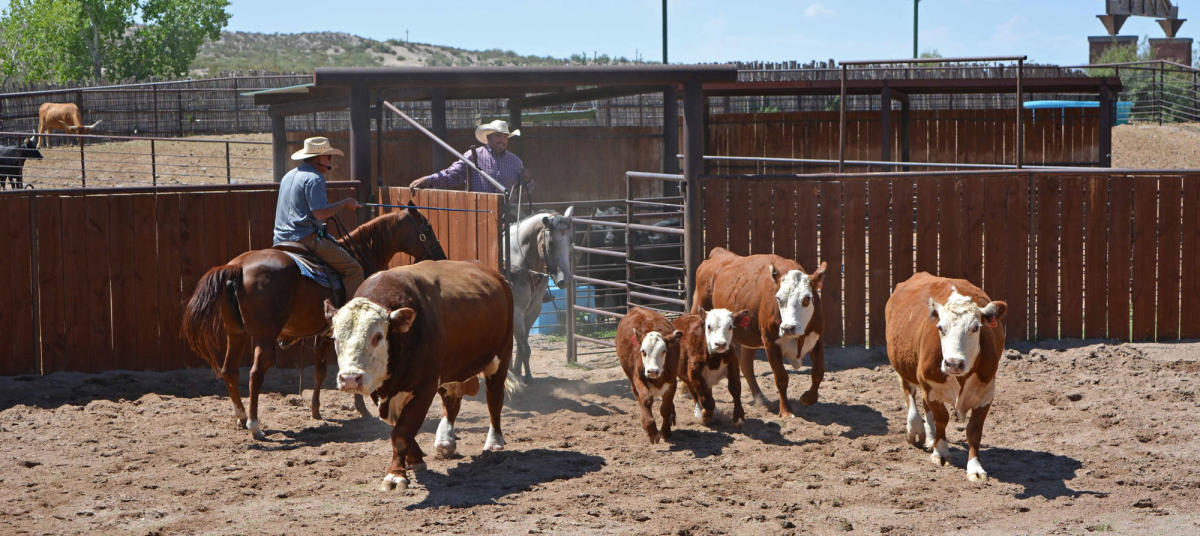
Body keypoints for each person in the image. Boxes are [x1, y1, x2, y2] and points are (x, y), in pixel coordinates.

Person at [273, 136, 364, 298]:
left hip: (280, 239)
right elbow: (320, 213)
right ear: (317, 158)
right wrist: (344, 203)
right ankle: (352, 318)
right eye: (328, 156)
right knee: (353, 269)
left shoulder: (288, 175)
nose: (331, 160)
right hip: (305, 238)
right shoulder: (314, 179)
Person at [408, 119, 531, 199]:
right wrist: (429, 180)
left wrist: (527, 180)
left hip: (509, 214)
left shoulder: (515, 161)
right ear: (488, 138)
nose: (503, 140)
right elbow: (452, 175)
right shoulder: (473, 156)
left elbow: (526, 189)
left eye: (505, 137)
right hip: (480, 213)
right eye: (498, 136)